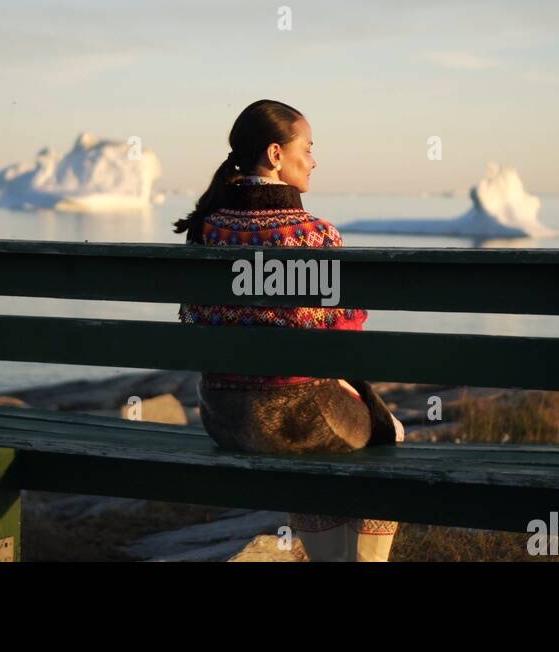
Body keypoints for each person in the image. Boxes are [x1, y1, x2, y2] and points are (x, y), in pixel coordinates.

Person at [173, 99, 403, 562]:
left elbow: (198, 318)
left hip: (222, 417)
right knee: (390, 439)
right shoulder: (315, 235)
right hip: (299, 417)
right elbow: (345, 337)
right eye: (309, 147)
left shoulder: (207, 228)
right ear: (276, 155)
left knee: (318, 453)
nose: (315, 159)